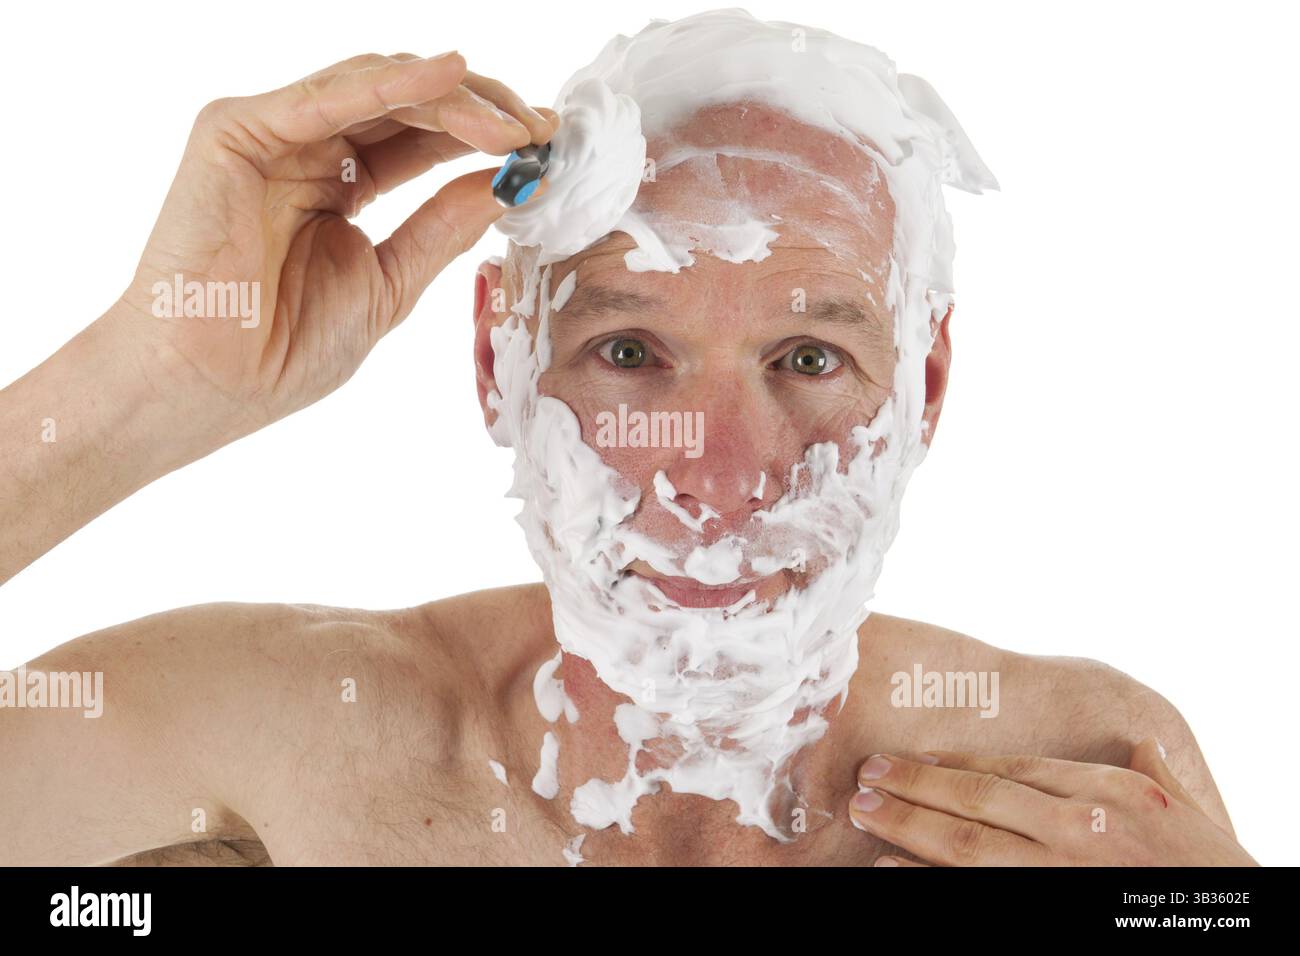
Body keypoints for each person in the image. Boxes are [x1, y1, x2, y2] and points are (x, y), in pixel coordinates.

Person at [0, 33, 1255, 866]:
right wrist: (149, 378)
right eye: (628, 352)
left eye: (809, 361)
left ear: (923, 388)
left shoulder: (1076, 778)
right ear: (498, 358)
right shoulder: (252, 744)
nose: (717, 479)